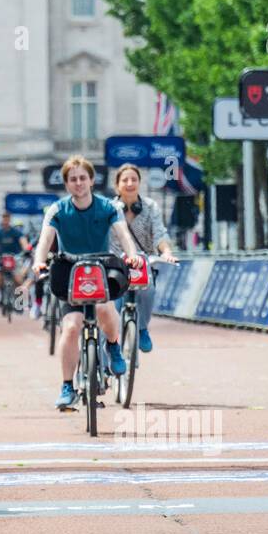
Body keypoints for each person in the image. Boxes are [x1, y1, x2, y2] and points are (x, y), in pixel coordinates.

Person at [31, 156, 143, 410]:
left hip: (101, 267)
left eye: (83, 178)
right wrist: (39, 262)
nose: (79, 183)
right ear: (66, 184)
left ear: (92, 181)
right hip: (69, 271)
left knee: (105, 309)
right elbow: (45, 240)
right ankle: (67, 385)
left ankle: (113, 347)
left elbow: (123, 233)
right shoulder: (58, 210)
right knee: (71, 327)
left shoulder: (108, 208)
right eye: (73, 179)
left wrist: (132, 254)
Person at [109, 164, 179, 352]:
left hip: (143, 264)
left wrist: (166, 253)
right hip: (115, 265)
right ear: (117, 185)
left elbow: (160, 234)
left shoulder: (151, 206)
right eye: (125, 180)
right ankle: (110, 350)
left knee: (148, 291)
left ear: (140, 183)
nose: (130, 183)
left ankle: (142, 328)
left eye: (134, 179)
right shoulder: (109, 208)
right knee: (112, 307)